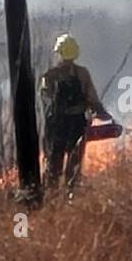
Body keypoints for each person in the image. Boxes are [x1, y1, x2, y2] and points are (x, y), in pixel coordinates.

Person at [40, 33, 112, 189]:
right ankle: (71, 195)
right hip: (77, 123)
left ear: (58, 53)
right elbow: (92, 98)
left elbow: (45, 100)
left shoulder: (50, 76)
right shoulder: (82, 73)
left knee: (53, 163)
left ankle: (51, 197)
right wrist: (102, 114)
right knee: (74, 163)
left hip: (56, 125)